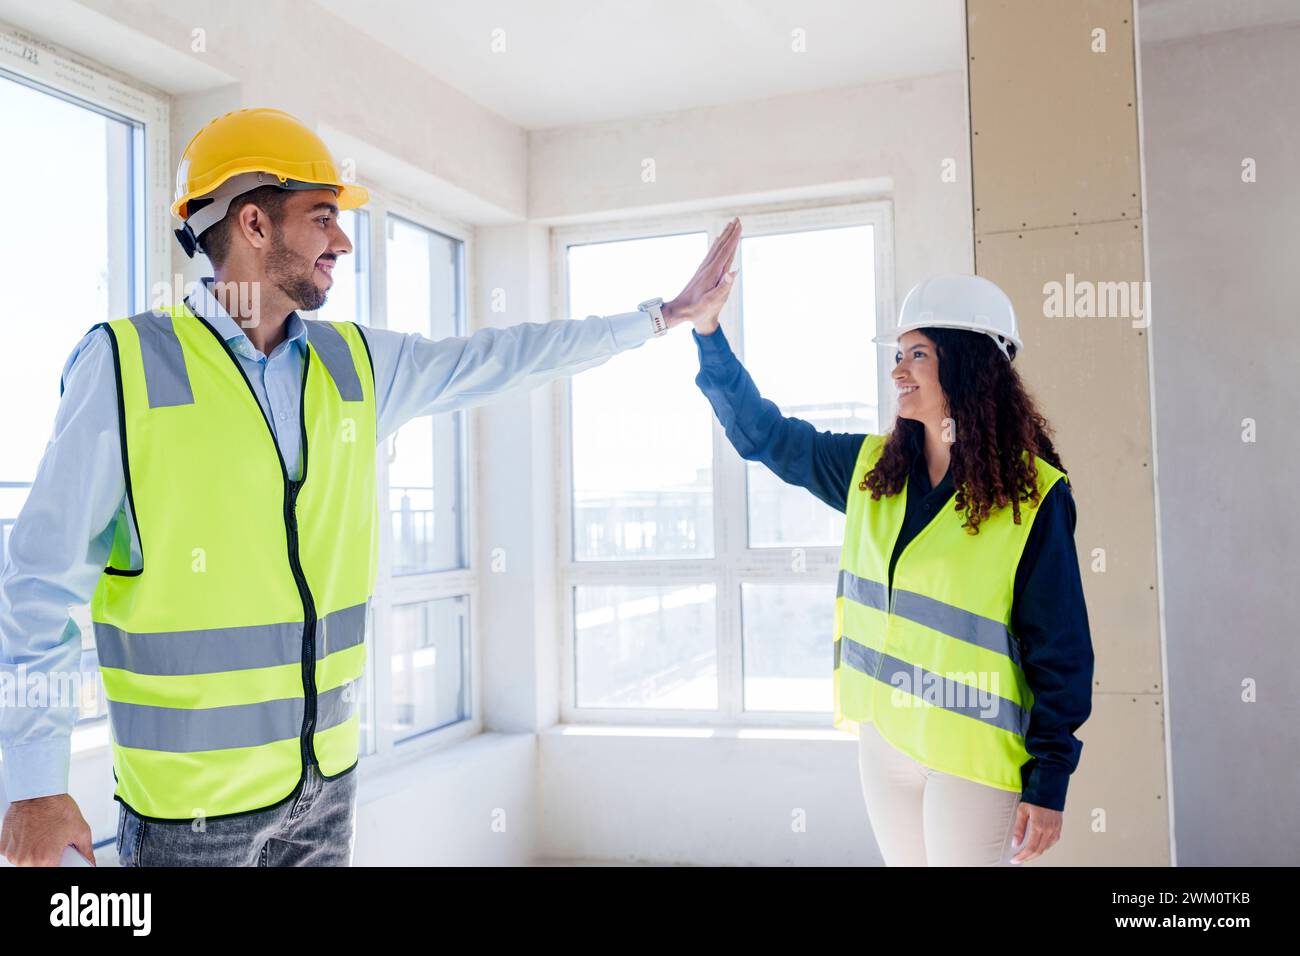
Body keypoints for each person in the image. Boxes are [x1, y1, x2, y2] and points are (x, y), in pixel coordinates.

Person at [0, 107, 741, 867]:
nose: (343, 242)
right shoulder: (125, 365)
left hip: (324, 787)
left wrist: (661, 318)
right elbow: (38, 584)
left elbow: (507, 357)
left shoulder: (354, 366)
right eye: (324, 217)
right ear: (253, 224)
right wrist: (31, 785)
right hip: (191, 810)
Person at [691, 270, 1094, 866]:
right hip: (885, 742)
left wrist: (1051, 779)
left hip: (972, 752)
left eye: (917, 355)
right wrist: (708, 332)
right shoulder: (872, 469)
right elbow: (765, 436)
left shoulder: (1032, 495)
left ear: (968, 364)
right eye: (898, 354)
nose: (897, 370)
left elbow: (1060, 647)